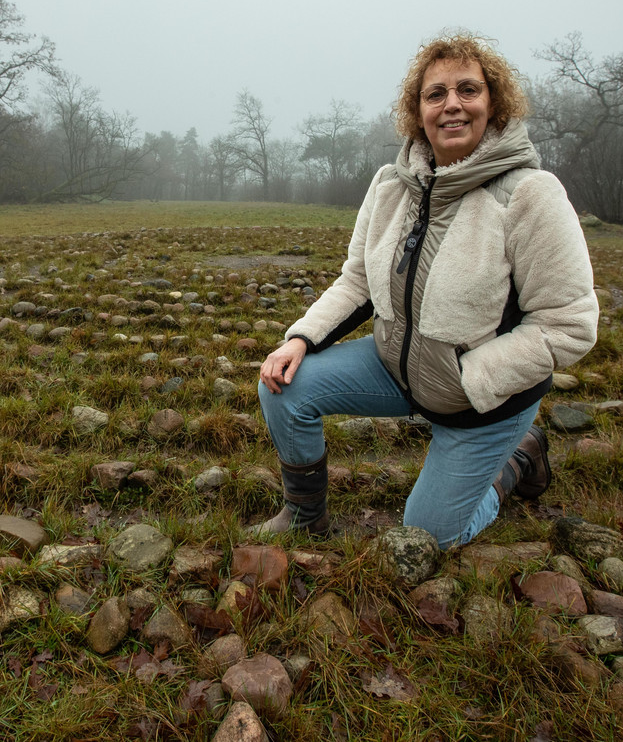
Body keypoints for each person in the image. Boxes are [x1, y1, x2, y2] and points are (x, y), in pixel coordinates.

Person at [253, 33, 598, 548]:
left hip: (479, 401)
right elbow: (358, 280)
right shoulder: (392, 185)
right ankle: (306, 515)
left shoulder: (530, 194)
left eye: (468, 90)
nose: (452, 104)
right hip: (397, 368)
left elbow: (569, 326)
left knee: (425, 538)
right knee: (284, 387)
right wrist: (300, 339)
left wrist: (469, 380)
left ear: (493, 103)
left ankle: (518, 457)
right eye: (436, 94)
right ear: (417, 112)